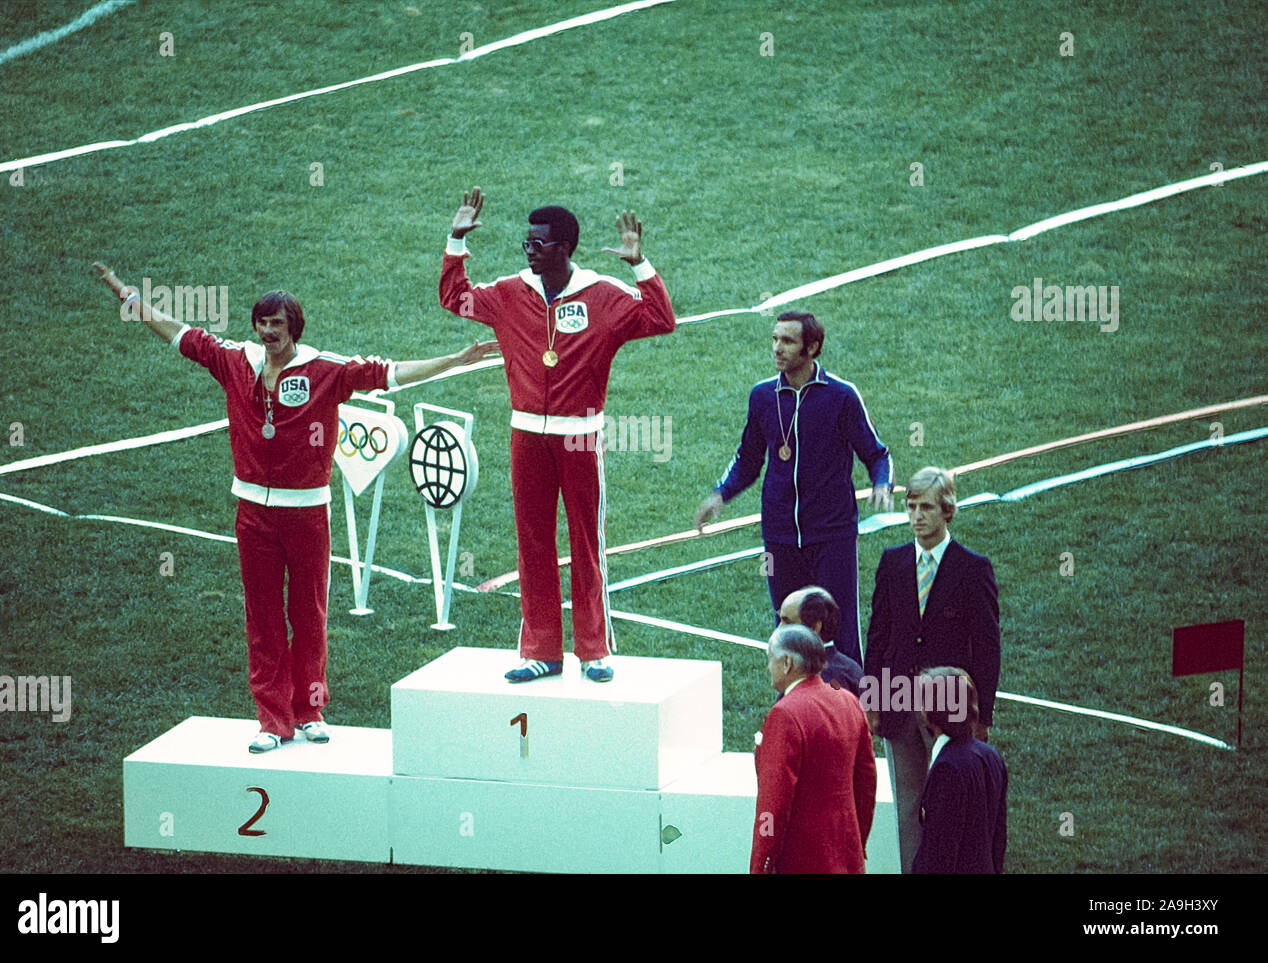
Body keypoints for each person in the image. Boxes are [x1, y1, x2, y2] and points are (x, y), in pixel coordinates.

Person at [93, 262, 498, 753]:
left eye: (277, 325)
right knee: (262, 618)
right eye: (262, 323)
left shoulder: (326, 370)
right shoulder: (235, 360)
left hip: (307, 514)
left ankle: (309, 710)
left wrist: (454, 360)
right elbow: (178, 334)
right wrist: (128, 299)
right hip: (252, 514)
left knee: (309, 614)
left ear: (294, 328)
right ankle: (272, 720)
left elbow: (390, 374)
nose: (268, 332)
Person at [438, 187, 676, 684]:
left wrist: (640, 265)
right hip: (525, 435)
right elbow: (454, 299)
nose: (529, 249)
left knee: (586, 543)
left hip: (580, 438)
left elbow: (661, 319)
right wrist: (456, 240)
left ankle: (594, 651)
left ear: (565, 248)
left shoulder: (603, 295)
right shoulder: (509, 292)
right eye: (527, 241)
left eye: (539, 243)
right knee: (532, 543)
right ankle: (541, 650)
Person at [694, 311, 892, 667]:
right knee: (785, 625)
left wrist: (881, 482)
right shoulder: (762, 397)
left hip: (832, 534)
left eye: (787, 341)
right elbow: (748, 459)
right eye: (774, 339)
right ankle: (789, 704)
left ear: (811, 348)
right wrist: (719, 494)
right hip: (779, 535)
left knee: (838, 627)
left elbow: (877, 452)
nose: (777, 349)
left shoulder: (842, 396)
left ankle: (851, 708)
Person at [863, 466, 1000, 872]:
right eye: (911, 507)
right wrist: (872, 700)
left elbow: (988, 648)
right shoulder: (893, 562)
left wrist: (982, 716)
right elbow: (878, 636)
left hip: (951, 709)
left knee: (950, 807)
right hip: (899, 703)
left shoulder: (973, 568)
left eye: (926, 507)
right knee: (907, 809)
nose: (917, 516)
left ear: (947, 511)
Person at [751, 624, 877, 874]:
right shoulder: (848, 702)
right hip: (847, 856)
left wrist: (761, 864)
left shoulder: (784, 714)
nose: (768, 668)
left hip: (800, 860)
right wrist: (856, 841)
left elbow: (772, 805)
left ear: (787, 662)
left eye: (770, 659)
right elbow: (867, 782)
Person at [911, 667, 1008, 874]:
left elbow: (940, 852)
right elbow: (999, 837)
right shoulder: (991, 756)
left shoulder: (948, 769)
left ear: (932, 712)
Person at [776, 585, 863, 694]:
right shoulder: (852, 669)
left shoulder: (809, 678)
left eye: (788, 622)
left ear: (814, 627)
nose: (779, 629)